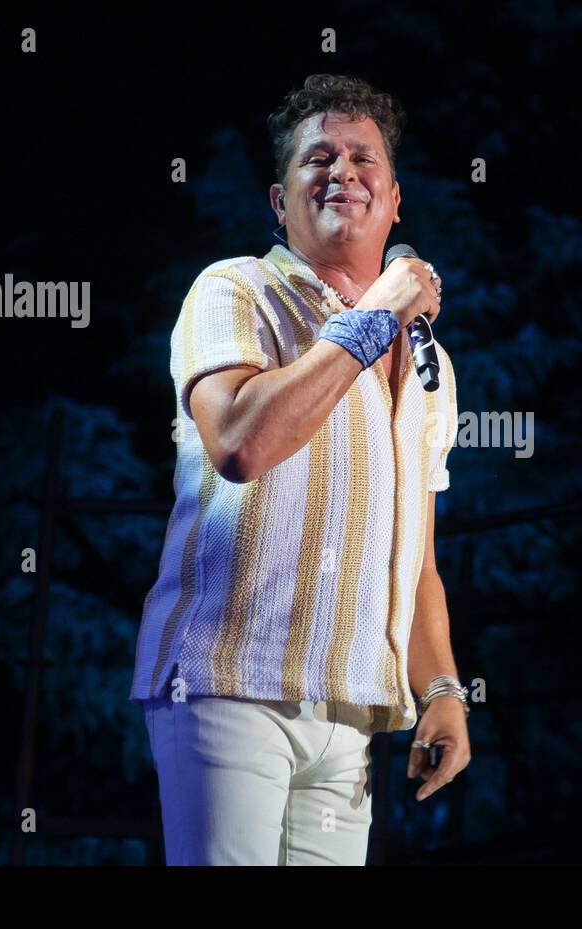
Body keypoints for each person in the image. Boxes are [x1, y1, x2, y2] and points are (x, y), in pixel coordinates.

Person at [129, 73, 471, 865]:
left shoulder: (432, 367)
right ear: (281, 202)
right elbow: (242, 445)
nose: (342, 170)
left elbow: (415, 562)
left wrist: (445, 692)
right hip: (228, 680)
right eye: (318, 157)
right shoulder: (235, 290)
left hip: (350, 712)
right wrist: (375, 316)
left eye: (363, 159)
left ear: (394, 203)